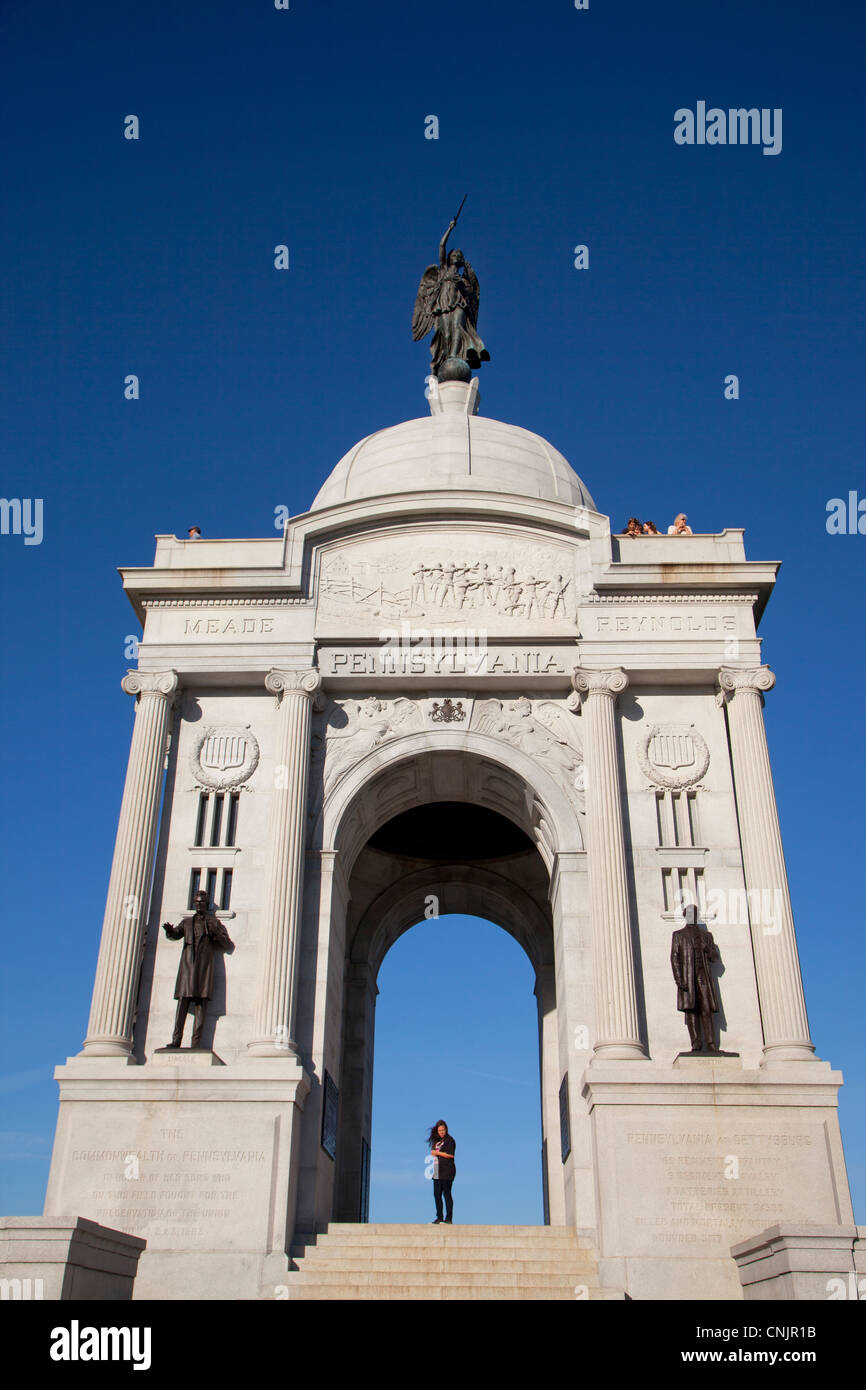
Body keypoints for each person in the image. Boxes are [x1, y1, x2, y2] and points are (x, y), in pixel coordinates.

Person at [162, 890, 234, 1049]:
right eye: (197, 902)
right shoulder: (187, 923)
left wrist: (215, 933)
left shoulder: (213, 922)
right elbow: (175, 935)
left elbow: (227, 944)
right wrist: (169, 931)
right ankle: (176, 1040)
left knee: (201, 1004)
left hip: (203, 967)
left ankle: (196, 1043)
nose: (199, 904)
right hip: (188, 967)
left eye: (202, 902)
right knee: (182, 1003)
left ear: (207, 904)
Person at [427, 1119, 456, 1224]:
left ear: (446, 1129)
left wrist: (438, 1153)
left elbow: (451, 1155)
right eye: (440, 1130)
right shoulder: (437, 1141)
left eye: (443, 1130)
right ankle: (439, 1217)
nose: (441, 1132)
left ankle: (448, 1219)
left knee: (447, 1194)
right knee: (437, 1194)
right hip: (437, 1171)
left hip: (447, 1171)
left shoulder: (450, 1140)